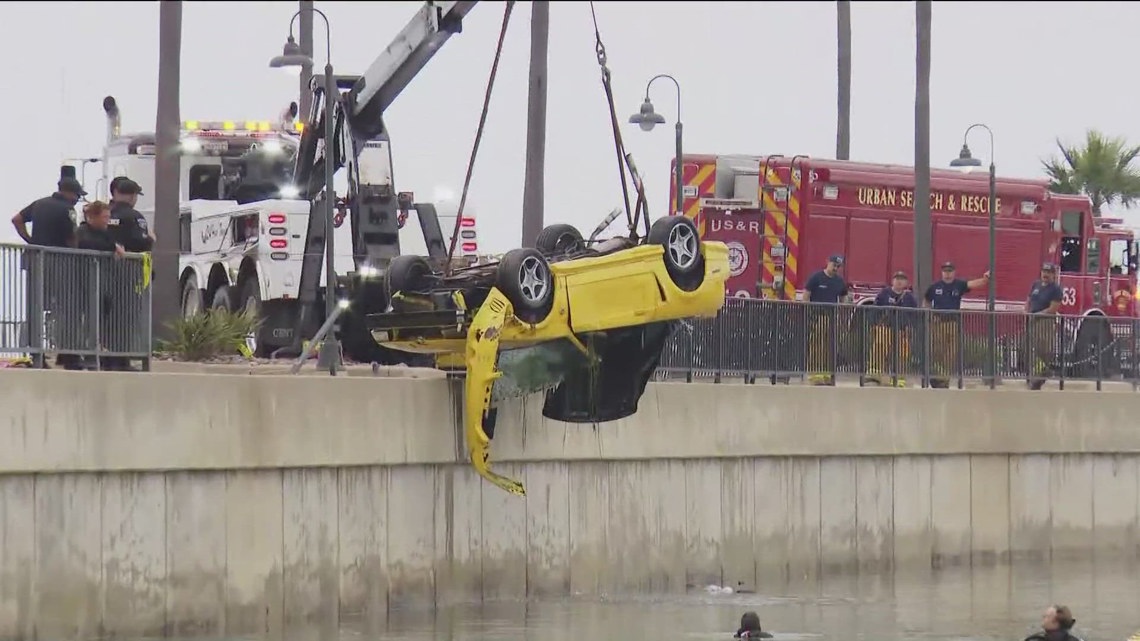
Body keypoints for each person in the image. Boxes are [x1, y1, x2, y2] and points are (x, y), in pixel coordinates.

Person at [10, 177, 85, 369]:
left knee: (35, 307)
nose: (77, 199)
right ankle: (68, 354)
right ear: (69, 192)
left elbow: (16, 219)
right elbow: (72, 237)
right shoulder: (67, 209)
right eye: (77, 195)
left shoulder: (39, 203)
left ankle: (35, 354)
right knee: (67, 308)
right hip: (60, 263)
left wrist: (30, 240)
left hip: (35, 260)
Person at [105, 178, 153, 372]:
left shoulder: (105, 213)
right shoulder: (134, 216)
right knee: (128, 316)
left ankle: (107, 357)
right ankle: (122, 359)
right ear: (133, 196)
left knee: (107, 316)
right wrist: (151, 238)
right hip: (129, 274)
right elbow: (142, 243)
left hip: (104, 273)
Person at [922, 262, 990, 388]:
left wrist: (986, 278)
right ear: (942, 272)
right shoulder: (935, 286)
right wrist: (929, 315)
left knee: (950, 353)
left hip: (952, 323)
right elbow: (926, 300)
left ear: (954, 272)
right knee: (937, 351)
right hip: (937, 323)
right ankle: (936, 376)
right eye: (945, 271)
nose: (947, 273)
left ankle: (944, 380)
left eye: (950, 271)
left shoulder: (958, 285)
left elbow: (974, 284)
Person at [803, 254, 850, 386]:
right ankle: (814, 375)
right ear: (827, 262)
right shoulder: (816, 277)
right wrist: (808, 312)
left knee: (829, 347)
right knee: (816, 345)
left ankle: (827, 374)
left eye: (838, 266)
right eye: (834, 265)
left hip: (831, 318)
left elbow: (843, 297)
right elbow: (806, 295)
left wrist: (842, 312)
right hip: (817, 317)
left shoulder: (839, 281)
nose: (835, 268)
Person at [867, 271, 918, 387]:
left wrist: (911, 328)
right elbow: (875, 309)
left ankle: (899, 378)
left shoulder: (910, 298)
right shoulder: (884, 293)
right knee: (879, 350)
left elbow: (915, 314)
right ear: (892, 281)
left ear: (906, 282)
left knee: (902, 354)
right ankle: (874, 376)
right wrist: (873, 324)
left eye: (902, 279)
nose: (899, 281)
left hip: (902, 331)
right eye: (897, 279)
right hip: (885, 328)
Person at [1026, 263, 1063, 391]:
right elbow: (1029, 299)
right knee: (1033, 350)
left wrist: (1038, 314)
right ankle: (1033, 377)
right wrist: (1027, 312)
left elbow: (1053, 308)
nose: (1045, 274)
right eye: (1044, 271)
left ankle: (1041, 376)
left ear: (1053, 274)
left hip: (1045, 321)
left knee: (1044, 350)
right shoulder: (1036, 285)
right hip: (1033, 321)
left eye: (1048, 272)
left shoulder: (1056, 289)